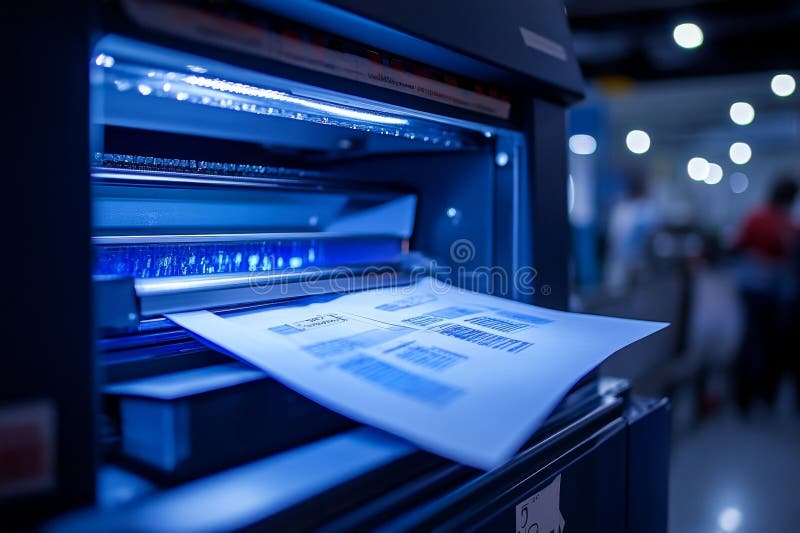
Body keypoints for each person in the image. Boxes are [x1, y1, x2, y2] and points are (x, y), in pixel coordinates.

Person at [732, 176, 799, 413]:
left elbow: (738, 245)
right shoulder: (775, 221)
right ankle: (754, 397)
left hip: (763, 290)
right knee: (761, 343)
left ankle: (752, 397)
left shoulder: (765, 218)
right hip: (766, 292)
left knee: (757, 342)